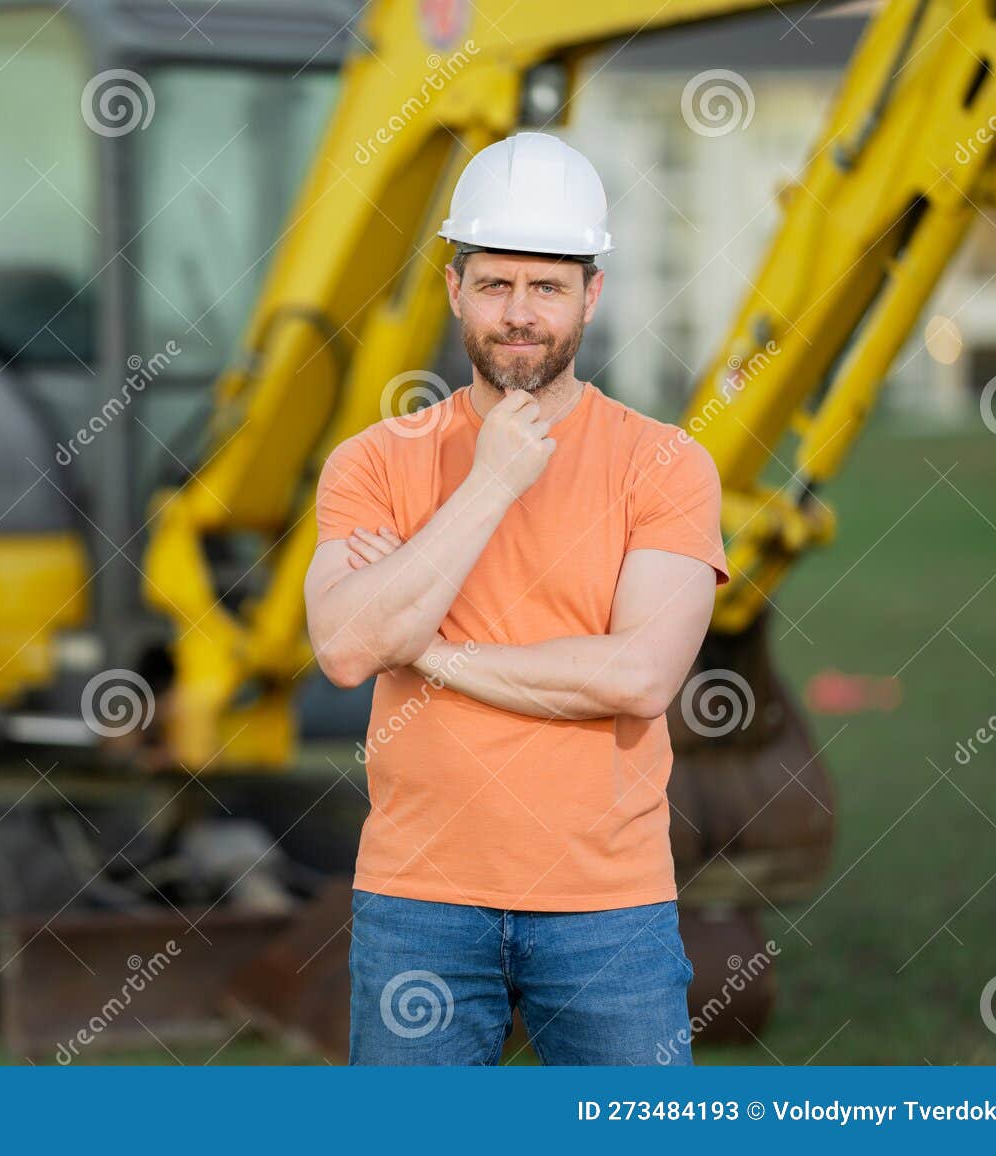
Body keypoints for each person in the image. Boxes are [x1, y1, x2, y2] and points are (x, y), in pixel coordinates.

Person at [304, 131, 731, 1066]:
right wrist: (490, 482)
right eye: (496, 284)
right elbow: (343, 649)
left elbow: (636, 675)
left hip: (606, 909)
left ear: (592, 294)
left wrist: (422, 644)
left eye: (547, 286)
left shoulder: (666, 464)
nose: (520, 313)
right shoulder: (375, 462)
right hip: (417, 901)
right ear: (455, 289)